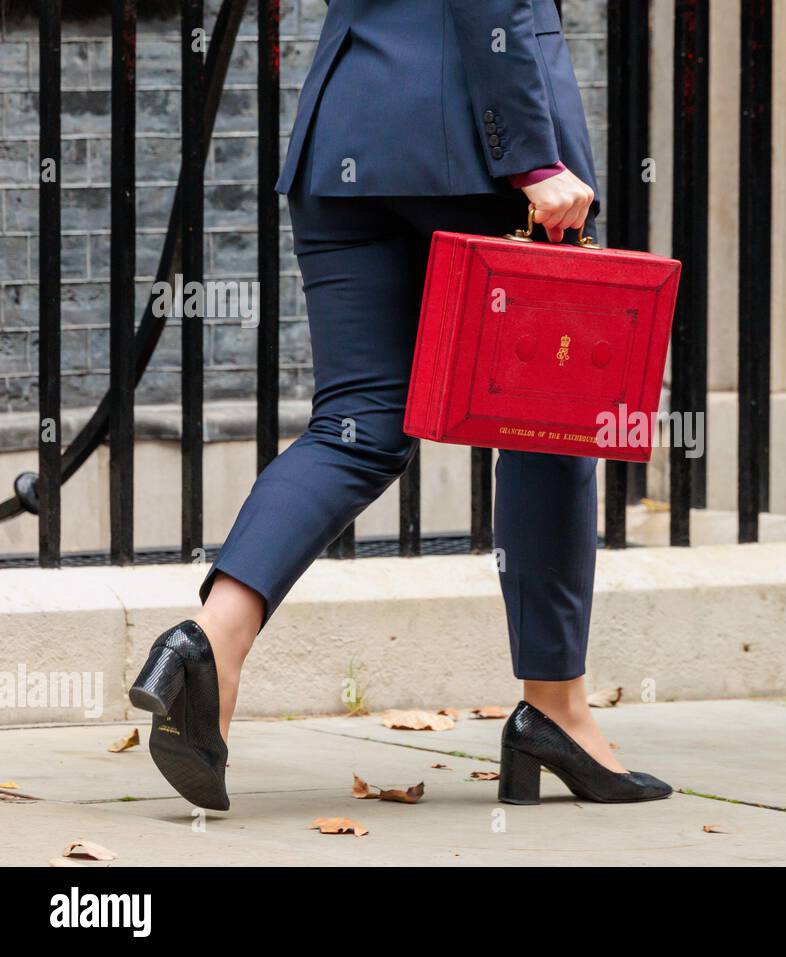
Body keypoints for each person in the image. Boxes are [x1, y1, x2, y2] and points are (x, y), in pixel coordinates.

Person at [129, 0, 671, 811]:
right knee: (549, 423)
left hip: (345, 135)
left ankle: (209, 642)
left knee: (356, 426)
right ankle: (555, 708)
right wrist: (530, 156)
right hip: (476, 156)